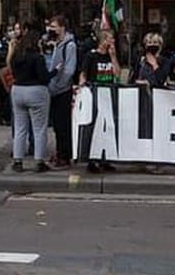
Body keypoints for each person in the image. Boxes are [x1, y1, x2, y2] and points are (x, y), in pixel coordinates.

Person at [7, 22, 51, 173]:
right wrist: (55, 72)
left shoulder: (16, 57)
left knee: (20, 128)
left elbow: (11, 69)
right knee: (39, 128)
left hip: (17, 90)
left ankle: (17, 161)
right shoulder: (37, 57)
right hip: (36, 91)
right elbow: (44, 78)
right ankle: (39, 161)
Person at [78, 29, 121, 173]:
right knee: (94, 128)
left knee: (108, 128)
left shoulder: (110, 56)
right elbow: (83, 74)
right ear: (103, 41)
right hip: (94, 95)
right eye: (110, 39)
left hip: (108, 96)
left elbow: (117, 73)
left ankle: (105, 159)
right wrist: (82, 89)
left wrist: (113, 56)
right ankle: (92, 159)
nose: (113, 42)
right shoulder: (91, 56)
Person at [45, 15, 79, 169]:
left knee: (62, 124)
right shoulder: (56, 44)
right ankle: (60, 152)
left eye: (54, 26)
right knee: (58, 126)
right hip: (54, 89)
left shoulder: (69, 45)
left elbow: (69, 70)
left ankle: (64, 155)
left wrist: (57, 85)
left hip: (62, 90)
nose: (51, 29)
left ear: (62, 27)